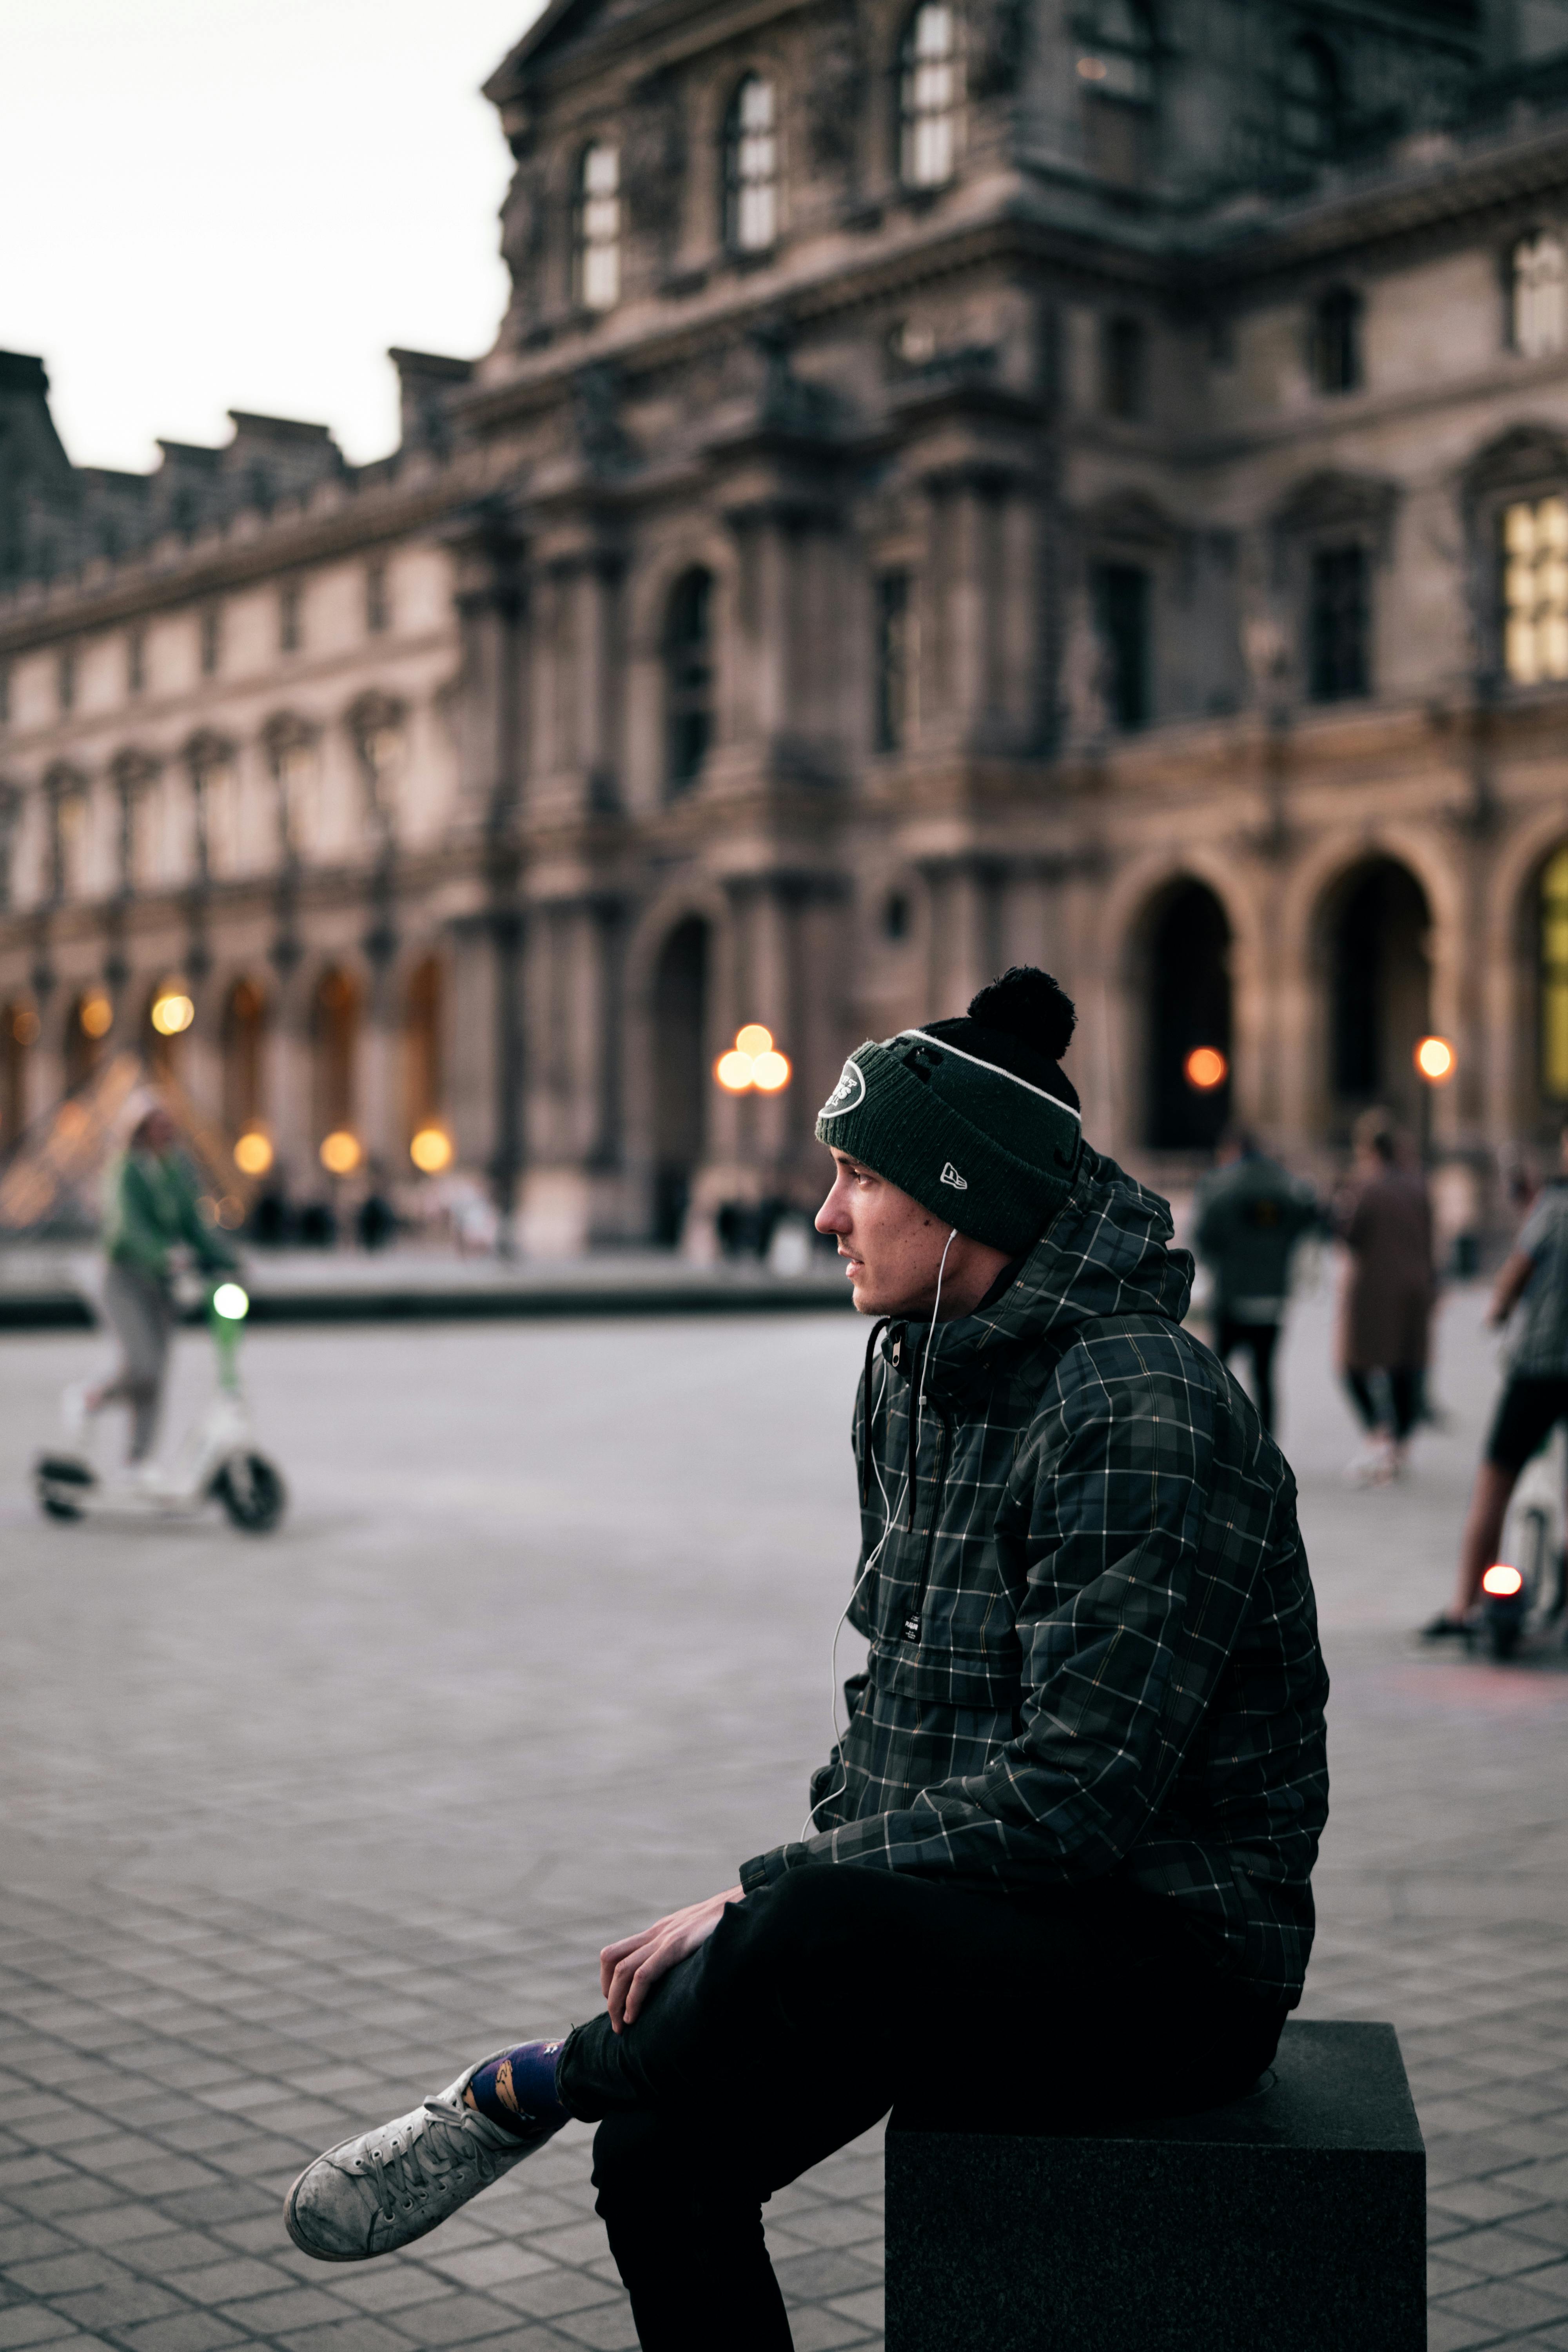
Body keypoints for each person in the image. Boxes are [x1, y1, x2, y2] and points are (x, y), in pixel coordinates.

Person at [282, 967, 1330, 2352]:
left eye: (859, 1178)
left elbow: (1077, 1798)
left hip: (1173, 1961)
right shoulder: (913, 1364)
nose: (824, 1214)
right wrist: (786, 1924)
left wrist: (769, 1906)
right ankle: (614, 2086)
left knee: (807, 1921)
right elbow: (894, 1689)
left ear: (966, 1196)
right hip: (966, 1922)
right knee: (659, 2154)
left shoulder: (1141, 1406)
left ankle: (534, 2085)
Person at [1425, 1120, 1568, 1640]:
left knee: (1496, 1477)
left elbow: (1517, 1271)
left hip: (1541, 1366)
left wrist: (1499, 1311)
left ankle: (1464, 1606)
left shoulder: (1555, 1207)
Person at [69, 1098, 239, 1473]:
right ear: (141, 1131)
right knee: (142, 1366)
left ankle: (141, 1459)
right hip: (124, 1279)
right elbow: (126, 1227)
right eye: (159, 1128)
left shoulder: (179, 1169)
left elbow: (195, 1225)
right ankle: (93, 1396)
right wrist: (164, 1255)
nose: (167, 1134)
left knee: (156, 1377)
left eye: (170, 1128)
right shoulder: (125, 1170)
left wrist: (231, 1260)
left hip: (163, 1285)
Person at [1193, 1128, 1320, 1434]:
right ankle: (1269, 1444)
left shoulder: (1220, 1186)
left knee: (1216, 1373)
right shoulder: (1288, 1186)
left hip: (1232, 1296)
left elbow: (1204, 1237)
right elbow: (1310, 1220)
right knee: (1264, 1375)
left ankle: (1212, 1436)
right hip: (1273, 1297)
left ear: (1234, 1150)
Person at [1336, 1112, 1436, 1484]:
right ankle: (1399, 1442)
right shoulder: (1418, 1185)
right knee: (1406, 1366)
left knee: (1353, 1365)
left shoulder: (1366, 1186)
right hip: (1415, 1286)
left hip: (1373, 1290)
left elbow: (1349, 1233)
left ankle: (1380, 1434)